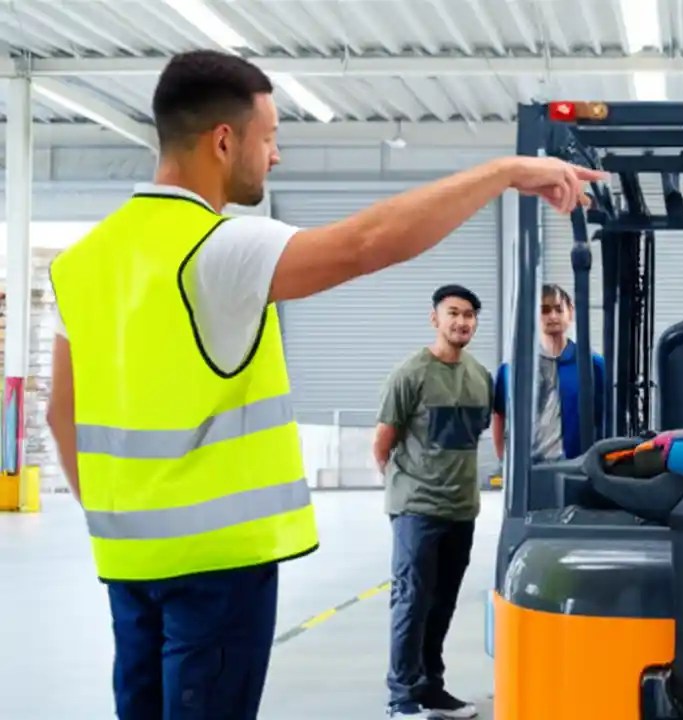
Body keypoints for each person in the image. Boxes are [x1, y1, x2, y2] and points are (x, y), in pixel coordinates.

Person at [44, 49, 605, 720]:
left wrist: (124, 524)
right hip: (216, 571)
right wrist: (509, 171)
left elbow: (59, 416)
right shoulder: (216, 249)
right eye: (270, 137)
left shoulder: (83, 262)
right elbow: (367, 243)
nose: (274, 155)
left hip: (126, 564)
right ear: (224, 141)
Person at [372, 284, 492, 718]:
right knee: (411, 599)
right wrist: (406, 491)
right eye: (453, 313)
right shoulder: (411, 374)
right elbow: (383, 444)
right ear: (435, 318)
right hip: (417, 510)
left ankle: (430, 687)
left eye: (469, 315)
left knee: (442, 603)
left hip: (462, 509)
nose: (461, 322)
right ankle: (400, 697)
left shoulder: (480, 376)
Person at [491, 283, 606, 464]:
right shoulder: (514, 369)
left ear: (571, 312)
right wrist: (504, 461)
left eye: (559, 309)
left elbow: (605, 415)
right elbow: (500, 416)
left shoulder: (592, 365)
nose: (553, 316)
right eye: (544, 310)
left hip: (578, 467)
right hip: (530, 469)